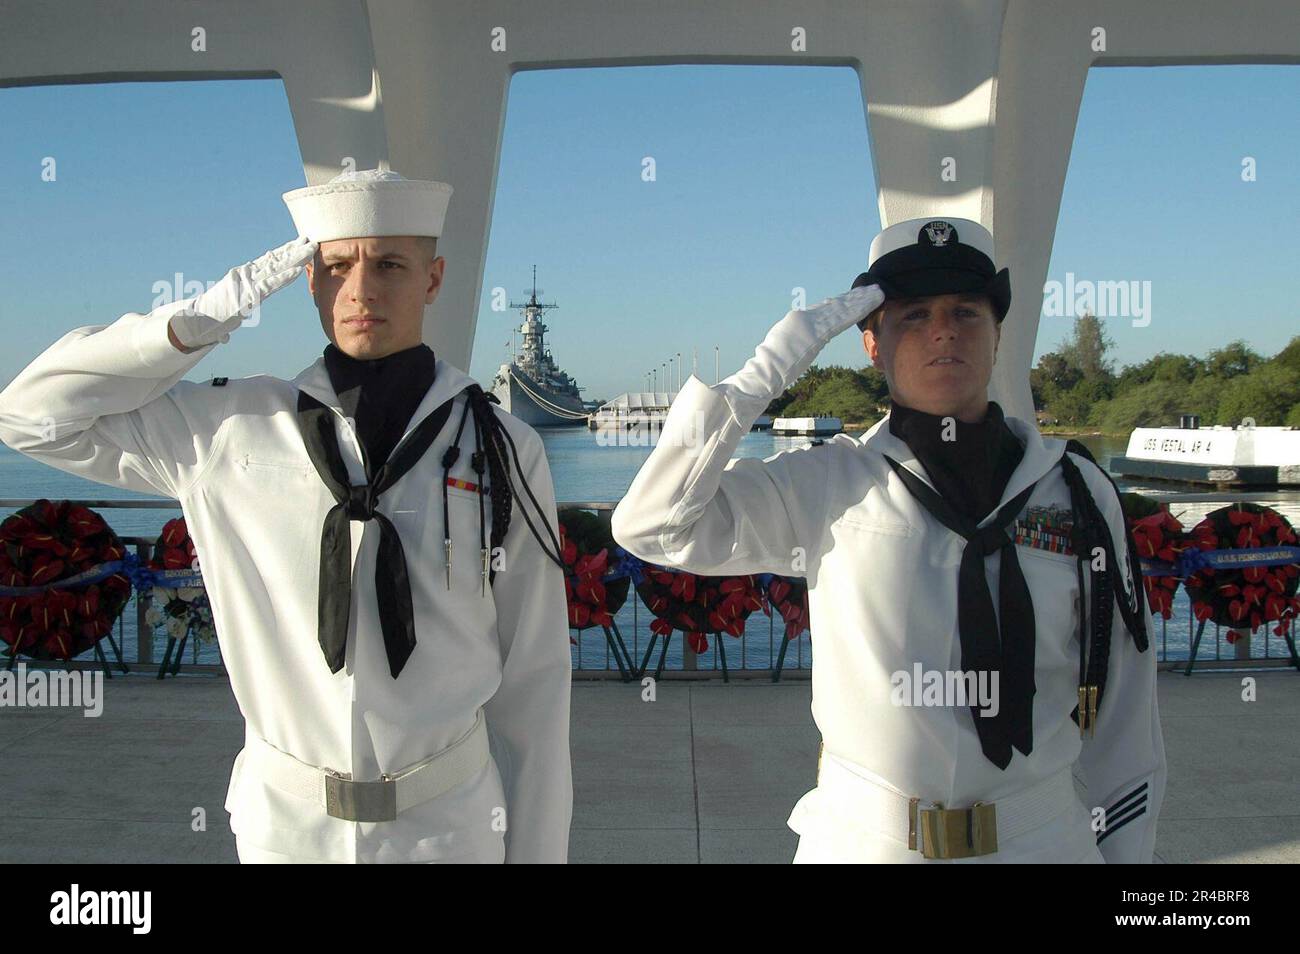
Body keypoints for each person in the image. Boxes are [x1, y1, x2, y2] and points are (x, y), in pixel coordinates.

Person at [0, 168, 572, 863]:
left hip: (451, 828)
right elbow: (30, 416)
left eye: (390, 263)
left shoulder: (503, 448)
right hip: (285, 830)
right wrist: (195, 323)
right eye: (337, 266)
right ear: (310, 280)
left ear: (434, 277)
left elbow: (536, 686)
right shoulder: (227, 428)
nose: (361, 289)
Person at [611, 217, 1165, 863]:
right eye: (913, 315)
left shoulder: (1077, 494)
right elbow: (653, 525)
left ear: (997, 334)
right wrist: (765, 371)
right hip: (867, 843)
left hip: (1043, 841)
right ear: (870, 344)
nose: (943, 330)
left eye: (966, 311)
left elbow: (1127, 715)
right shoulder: (825, 483)